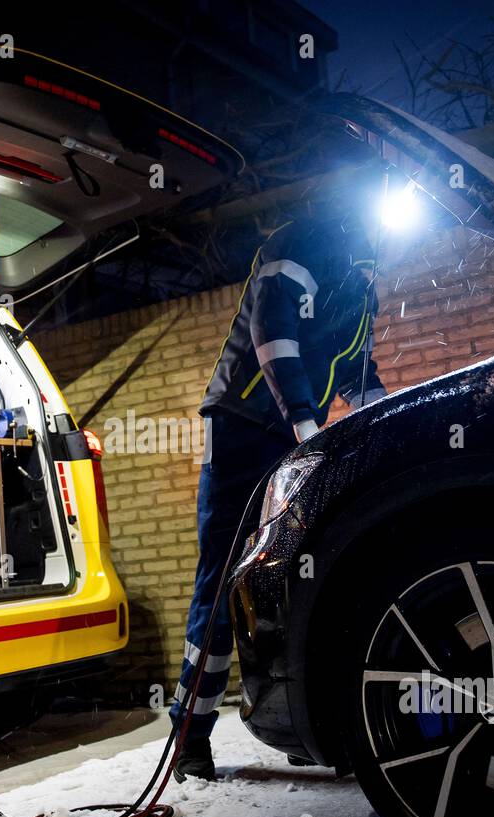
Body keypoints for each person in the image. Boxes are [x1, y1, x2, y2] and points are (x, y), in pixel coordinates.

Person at [172, 200, 386, 782]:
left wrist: (388, 428)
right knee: (221, 583)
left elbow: (357, 374)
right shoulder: (299, 241)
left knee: (293, 577)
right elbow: (273, 339)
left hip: (297, 436)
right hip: (243, 428)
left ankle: (296, 721)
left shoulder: (360, 285)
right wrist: (305, 422)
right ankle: (189, 733)